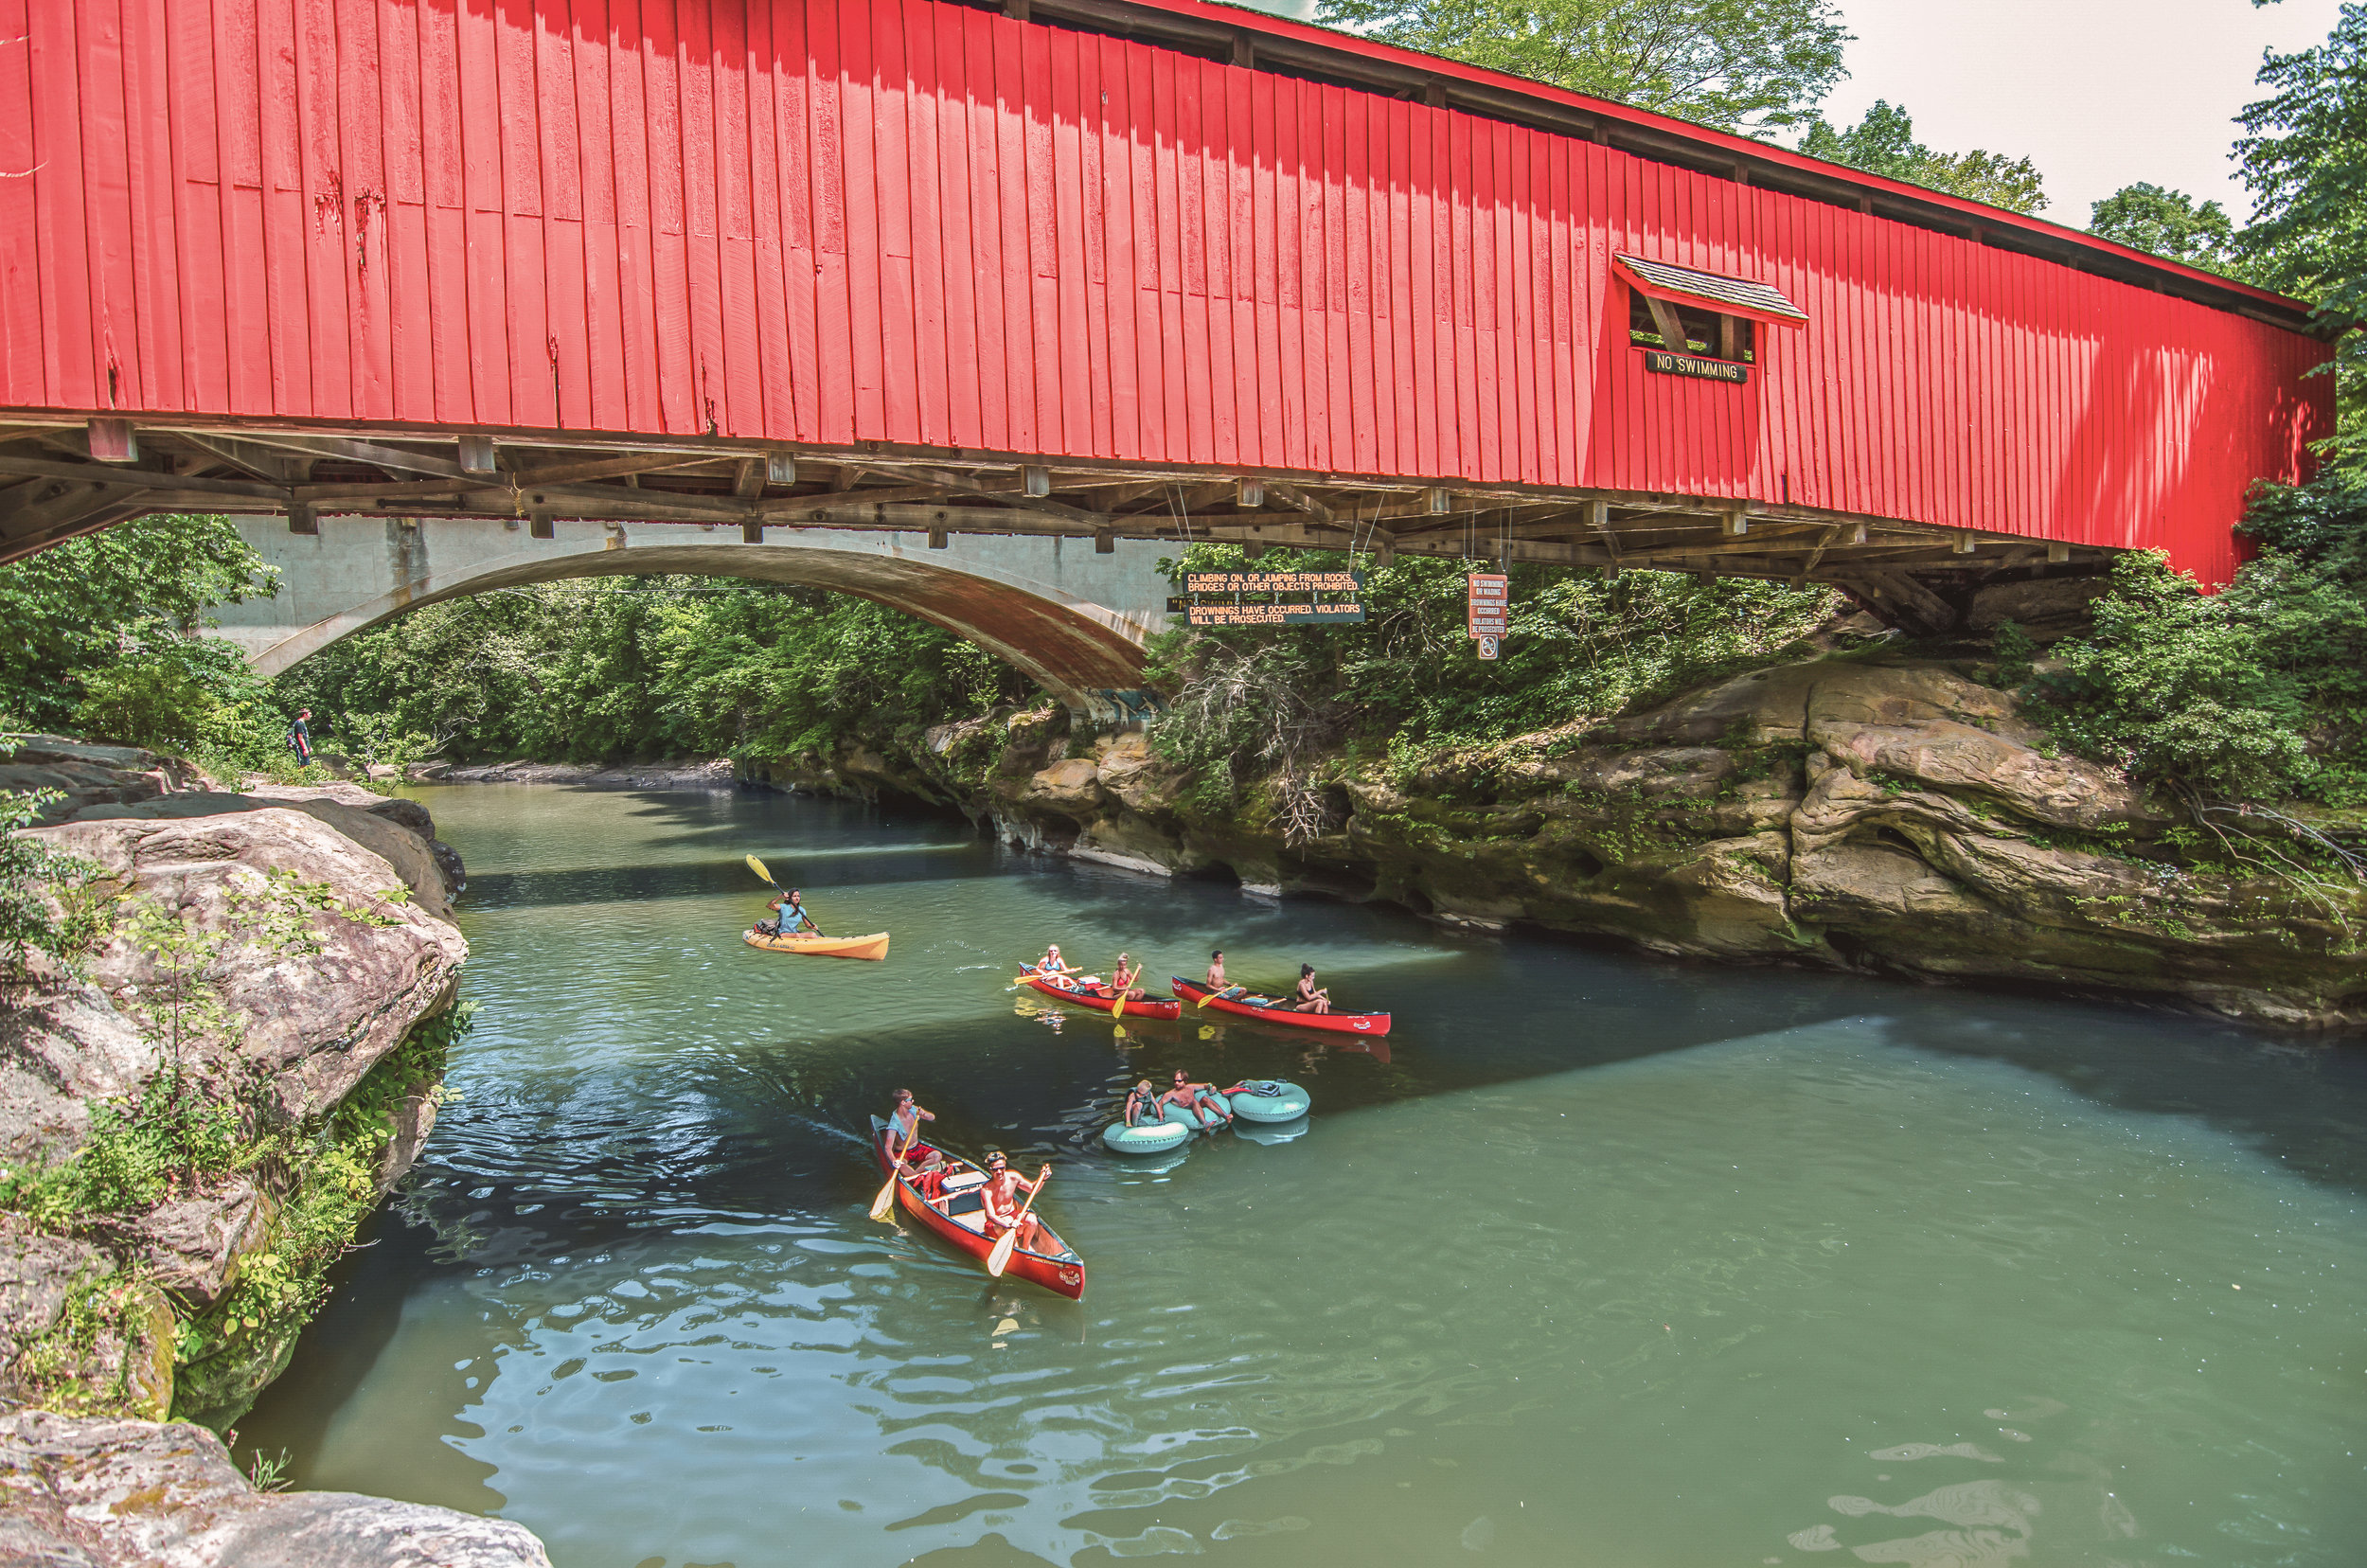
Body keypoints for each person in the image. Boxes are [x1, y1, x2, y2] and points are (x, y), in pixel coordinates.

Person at [978, 1150, 1050, 1253]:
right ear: (990, 1169)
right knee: (1008, 1220)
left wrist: (1042, 1179)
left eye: (1002, 1168)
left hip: (1013, 1219)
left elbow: (1032, 1188)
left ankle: (1025, 1249)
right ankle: (1016, 1250)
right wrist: (1009, 1225)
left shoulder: (1013, 1177)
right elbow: (991, 1215)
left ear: (1005, 1167)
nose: (999, 1172)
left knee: (1032, 1219)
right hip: (996, 1226)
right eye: (995, 1169)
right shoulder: (986, 1190)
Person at [1160, 1069, 1231, 1127]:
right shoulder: (1171, 1094)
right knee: (1194, 1101)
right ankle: (1205, 1123)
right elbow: (1161, 1102)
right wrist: (1161, 1113)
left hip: (1196, 1106)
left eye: (1179, 1081)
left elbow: (1205, 1086)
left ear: (1185, 1081)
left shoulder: (1191, 1087)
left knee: (1205, 1099)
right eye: (1175, 1081)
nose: (1176, 1083)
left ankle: (1226, 1116)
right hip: (1185, 1111)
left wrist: (1212, 1087)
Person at [884, 1089, 934, 1160]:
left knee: (937, 1156)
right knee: (902, 1164)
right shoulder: (894, 1124)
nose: (913, 1101)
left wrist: (925, 1114)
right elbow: (888, 1148)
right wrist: (894, 1161)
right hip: (903, 1152)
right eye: (910, 1100)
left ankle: (921, 1167)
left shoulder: (913, 1110)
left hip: (917, 1148)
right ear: (903, 1102)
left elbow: (932, 1118)